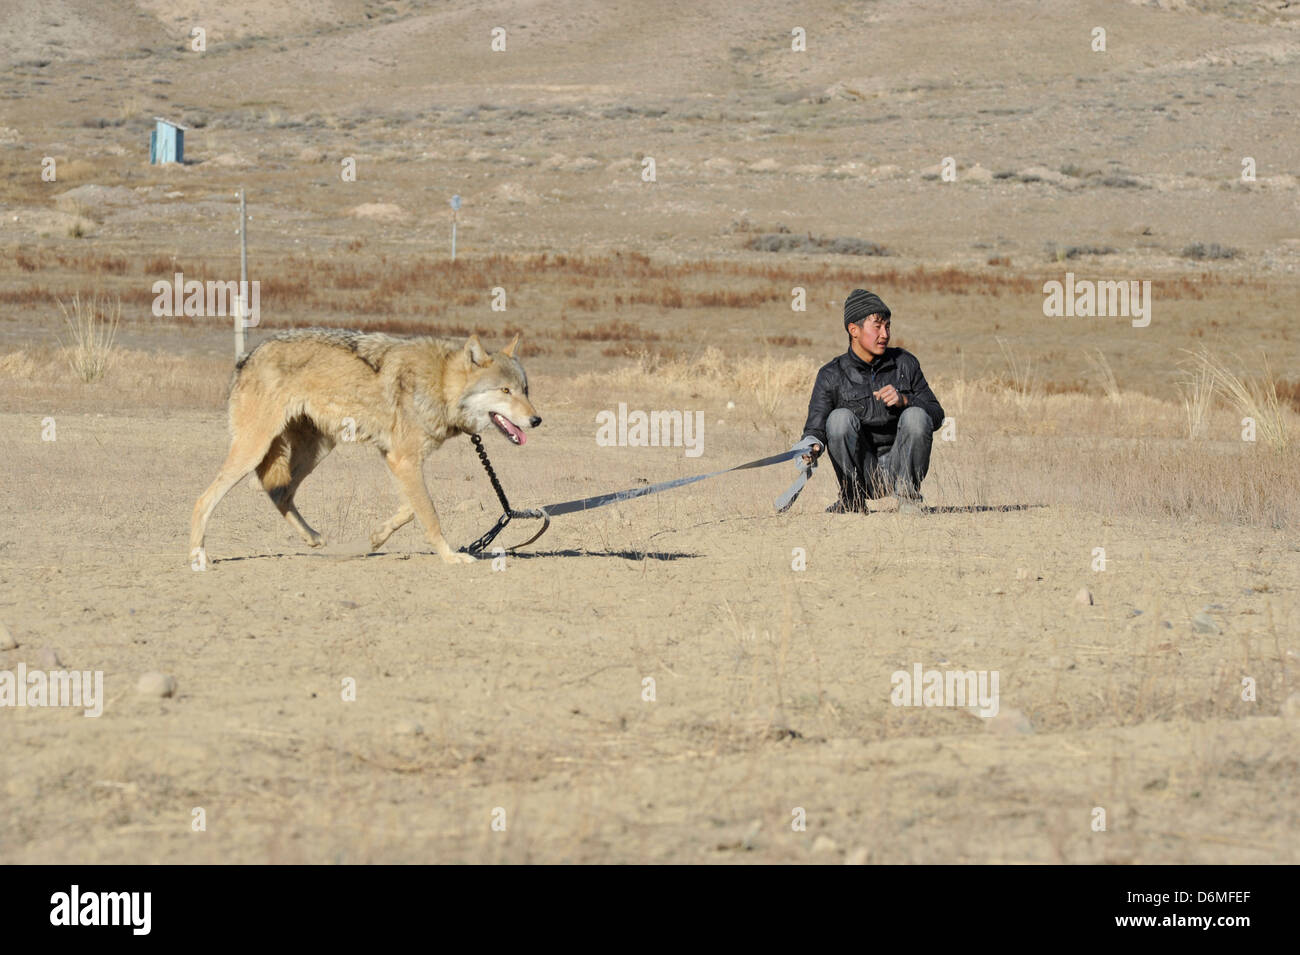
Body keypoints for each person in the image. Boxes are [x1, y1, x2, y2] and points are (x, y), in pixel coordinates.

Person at [799, 289, 944, 514]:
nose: (884, 334)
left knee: (916, 415)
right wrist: (812, 446)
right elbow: (815, 427)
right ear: (853, 330)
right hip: (862, 471)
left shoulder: (905, 364)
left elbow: (936, 415)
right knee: (838, 419)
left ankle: (908, 499)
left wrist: (905, 400)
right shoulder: (830, 374)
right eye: (877, 326)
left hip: (900, 467)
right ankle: (852, 500)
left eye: (887, 326)